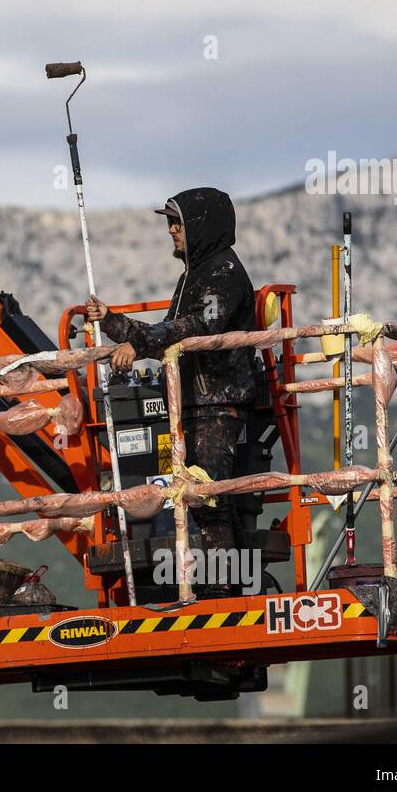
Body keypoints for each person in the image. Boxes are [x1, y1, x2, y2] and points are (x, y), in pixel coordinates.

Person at [85, 187, 257, 590]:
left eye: (177, 223)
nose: (171, 231)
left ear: (201, 226)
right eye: (168, 223)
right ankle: (228, 587)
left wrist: (132, 338)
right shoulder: (193, 277)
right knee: (211, 499)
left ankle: (220, 591)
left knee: (208, 498)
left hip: (218, 402)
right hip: (195, 402)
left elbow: (197, 326)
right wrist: (114, 323)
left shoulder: (224, 274)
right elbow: (173, 328)